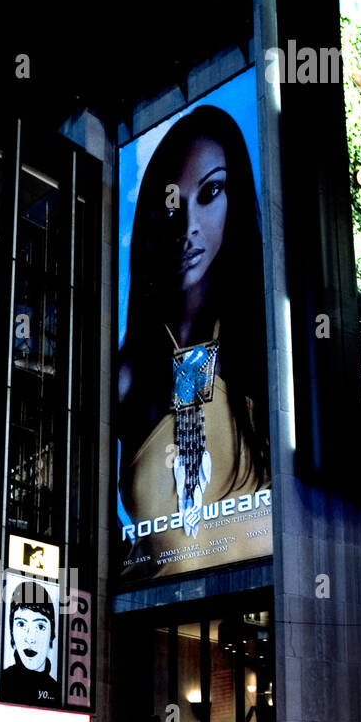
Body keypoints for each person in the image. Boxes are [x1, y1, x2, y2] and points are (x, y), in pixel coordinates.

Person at [118, 106, 269, 582]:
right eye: (172, 206)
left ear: (235, 196)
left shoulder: (266, 347)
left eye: (211, 193)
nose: (188, 229)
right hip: (155, 624)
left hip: (265, 609)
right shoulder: (129, 377)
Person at [0, 582, 59, 706]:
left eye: (40, 626)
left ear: (51, 635)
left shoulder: (59, 692)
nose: (30, 638)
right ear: (11, 631)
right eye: (21, 624)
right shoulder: (0, 683)